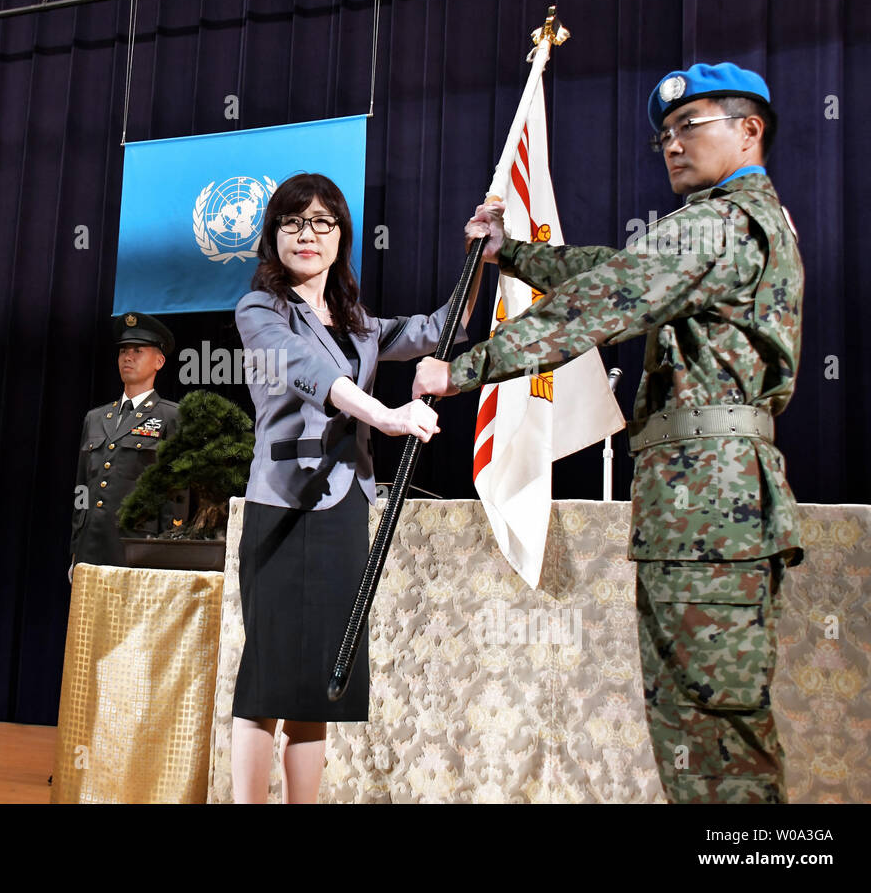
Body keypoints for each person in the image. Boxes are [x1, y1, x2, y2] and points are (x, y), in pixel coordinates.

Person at [413, 63, 802, 804]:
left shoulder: (724, 223)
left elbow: (610, 297)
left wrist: (462, 369)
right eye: (665, 135)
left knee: (718, 731)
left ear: (749, 130)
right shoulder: (727, 228)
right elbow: (621, 270)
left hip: (710, 513)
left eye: (691, 126)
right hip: (699, 510)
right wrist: (515, 254)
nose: (673, 146)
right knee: (694, 722)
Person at [231, 172, 476, 803]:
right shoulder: (259, 311)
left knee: (320, 681)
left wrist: (481, 256)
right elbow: (306, 372)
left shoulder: (363, 325)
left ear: (341, 236)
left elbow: (443, 325)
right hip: (282, 505)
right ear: (273, 238)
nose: (305, 235)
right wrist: (389, 417)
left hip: (345, 510)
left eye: (321, 222)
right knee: (267, 677)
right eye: (291, 222)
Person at [68, 311, 187, 575]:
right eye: (123, 351)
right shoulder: (96, 418)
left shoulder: (171, 416)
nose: (128, 357)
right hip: (91, 546)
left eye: (137, 350)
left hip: (139, 547)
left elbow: (177, 491)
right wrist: (77, 543)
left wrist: (169, 548)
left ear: (159, 361)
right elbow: (81, 489)